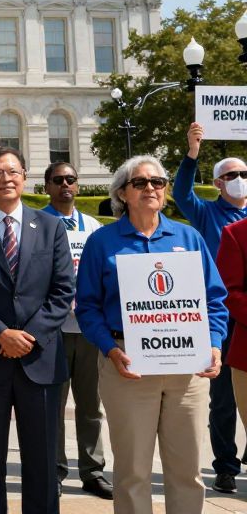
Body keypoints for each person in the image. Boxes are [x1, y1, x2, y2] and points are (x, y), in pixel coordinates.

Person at [77, 155, 227, 514]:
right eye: (140, 183)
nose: (150, 188)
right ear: (122, 193)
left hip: (187, 370)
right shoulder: (103, 242)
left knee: (187, 471)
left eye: (157, 182)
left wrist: (215, 344)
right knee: (131, 472)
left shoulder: (188, 236)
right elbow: (87, 307)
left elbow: (215, 299)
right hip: (127, 364)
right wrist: (109, 350)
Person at [0, 147, 74, 514]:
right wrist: (0, 333)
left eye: (13, 171)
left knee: (42, 462)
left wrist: (28, 336)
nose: (6, 178)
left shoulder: (51, 226)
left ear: (25, 176)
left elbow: (63, 290)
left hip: (40, 359)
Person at [175, 122, 247, 493]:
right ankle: (225, 466)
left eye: (243, 173)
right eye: (231, 174)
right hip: (222, 315)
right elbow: (181, 192)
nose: (239, 178)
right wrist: (192, 153)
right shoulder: (206, 214)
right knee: (222, 400)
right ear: (218, 183)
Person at [41, 162, 111, 499]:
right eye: (58, 180)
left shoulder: (94, 227)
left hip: (87, 329)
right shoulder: (35, 223)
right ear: (46, 187)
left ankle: (93, 471)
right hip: (51, 329)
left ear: (78, 186)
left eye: (71, 180)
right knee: (52, 406)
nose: (65, 185)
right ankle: (52, 470)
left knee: (89, 405)